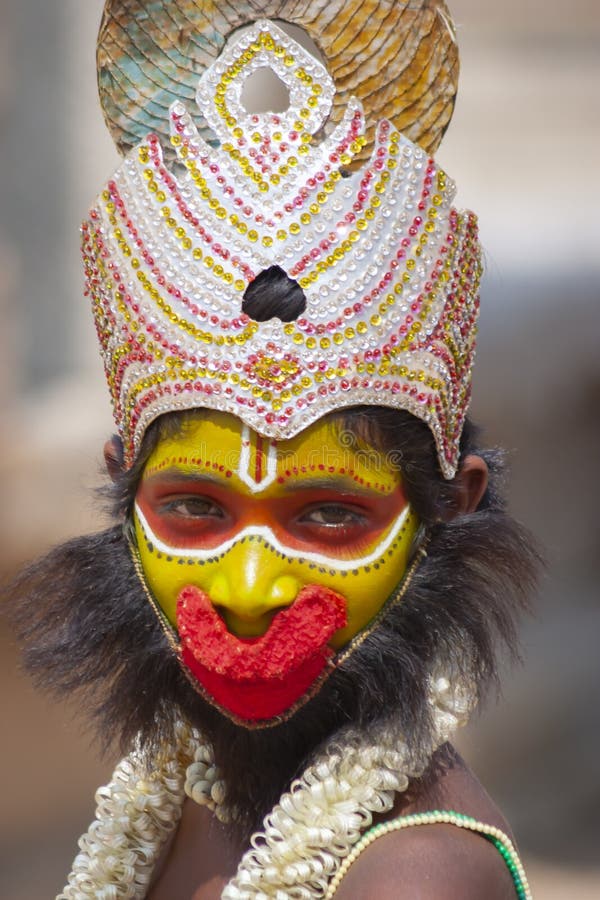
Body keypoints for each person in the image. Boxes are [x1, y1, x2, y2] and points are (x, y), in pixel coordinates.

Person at [11, 2, 540, 897]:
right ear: (120, 482)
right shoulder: (184, 791)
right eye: (194, 509)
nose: (248, 591)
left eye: (330, 515)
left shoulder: (415, 876)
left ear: (449, 505)